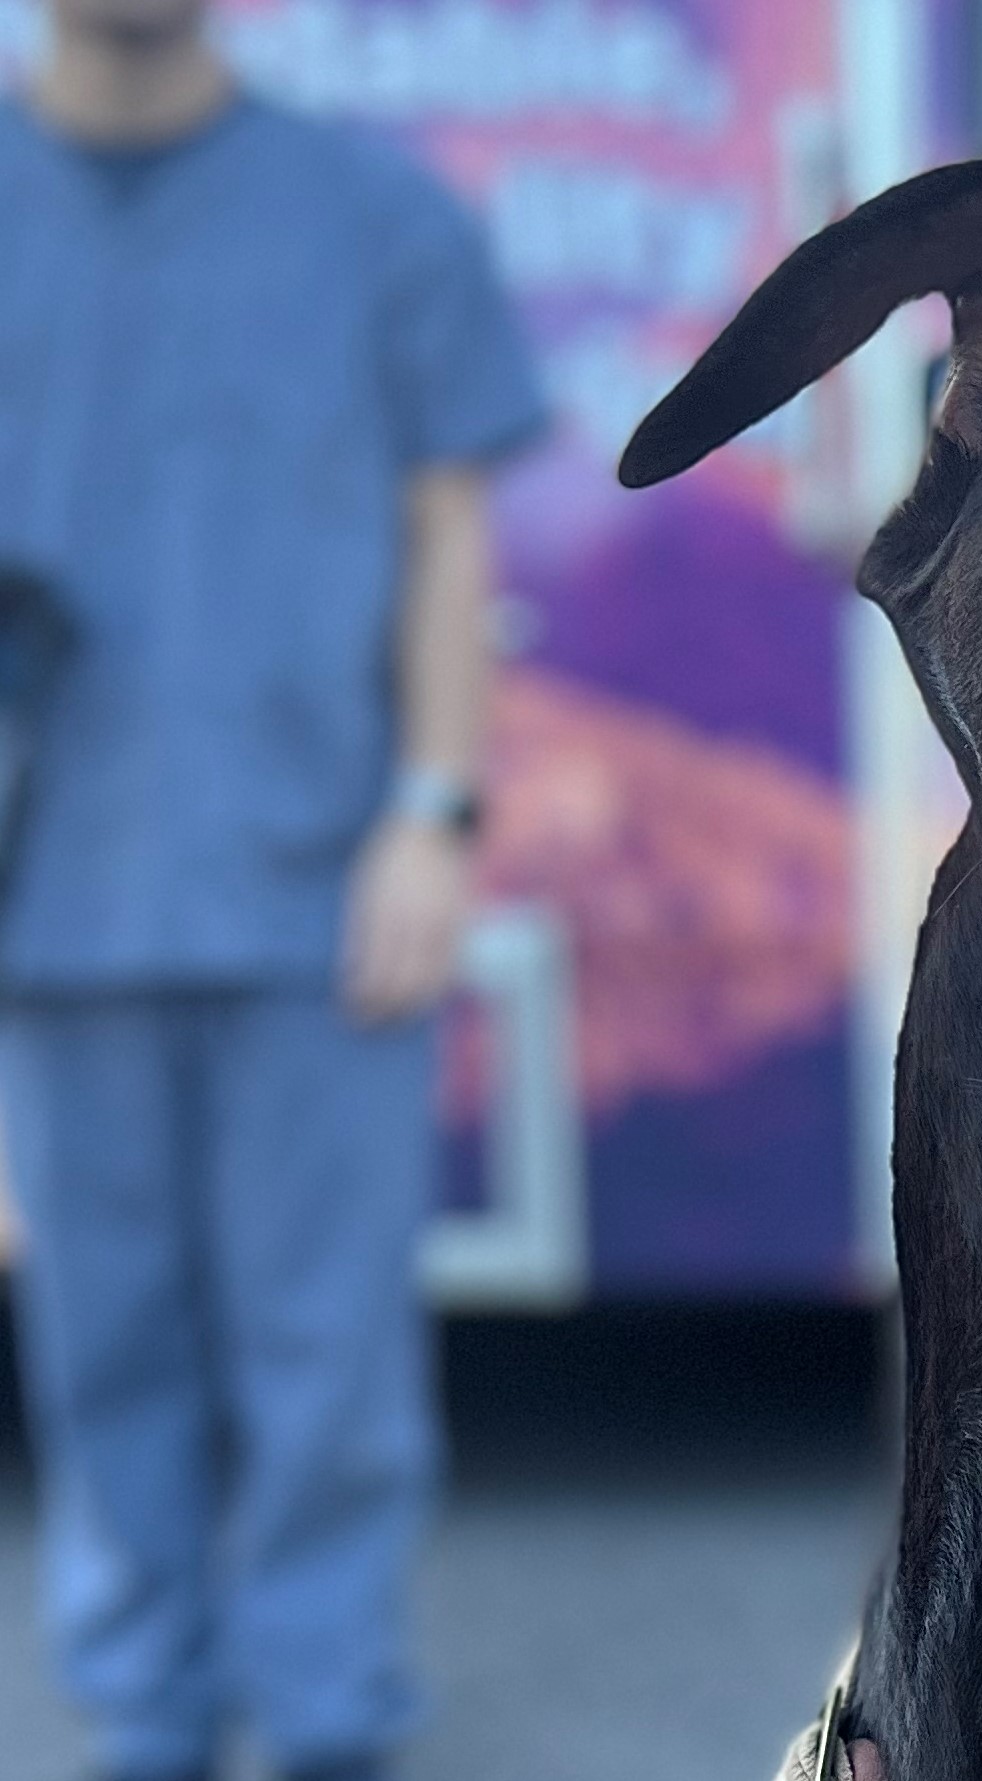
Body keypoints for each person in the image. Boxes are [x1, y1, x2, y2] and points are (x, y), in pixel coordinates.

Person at [0, 2, 543, 1776]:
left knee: (327, 1380)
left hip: (319, 898)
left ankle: (326, 1729)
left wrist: (431, 812)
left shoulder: (372, 216)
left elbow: (445, 532)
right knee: (103, 1368)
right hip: (45, 905)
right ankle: (140, 1729)